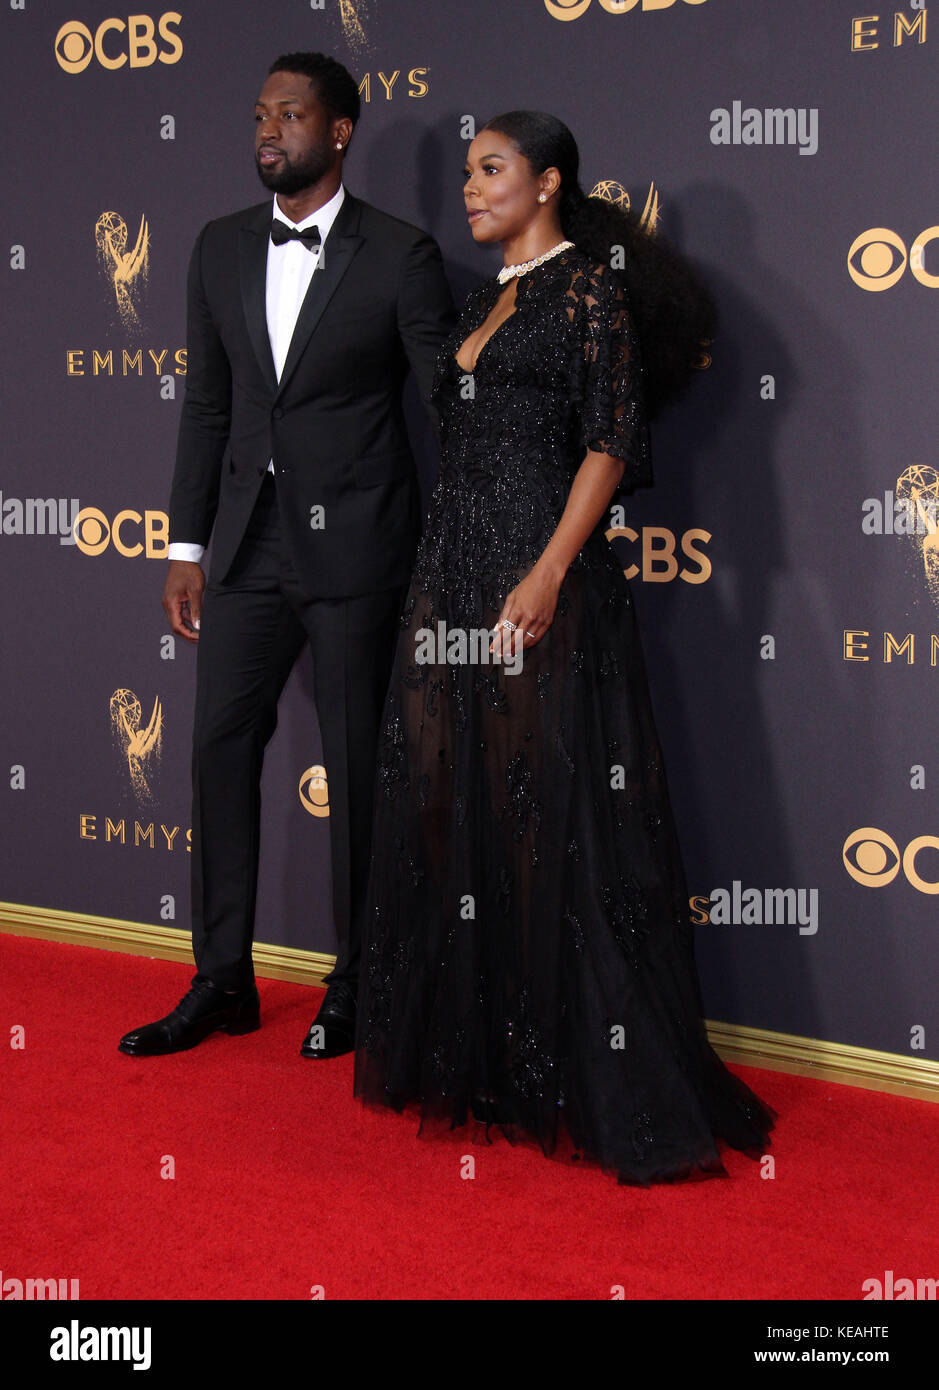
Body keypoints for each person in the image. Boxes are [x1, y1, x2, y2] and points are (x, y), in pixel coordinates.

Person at [352, 111, 776, 1185]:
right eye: (464, 173)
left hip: (543, 577)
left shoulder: (589, 287)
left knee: (552, 811)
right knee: (456, 803)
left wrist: (544, 572)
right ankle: (493, 1056)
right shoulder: (487, 296)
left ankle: (586, 1071)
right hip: (453, 565)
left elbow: (610, 439)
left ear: (547, 182)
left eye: (490, 170)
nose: (470, 188)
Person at [118, 52, 456, 1059]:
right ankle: (221, 977)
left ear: (341, 130)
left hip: (357, 550)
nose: (270, 130)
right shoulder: (218, 246)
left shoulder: (401, 254)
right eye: (261, 113)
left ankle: (358, 983)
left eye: (292, 115)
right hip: (245, 548)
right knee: (217, 752)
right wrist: (187, 545)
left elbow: (443, 404)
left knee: (356, 767)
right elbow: (209, 409)